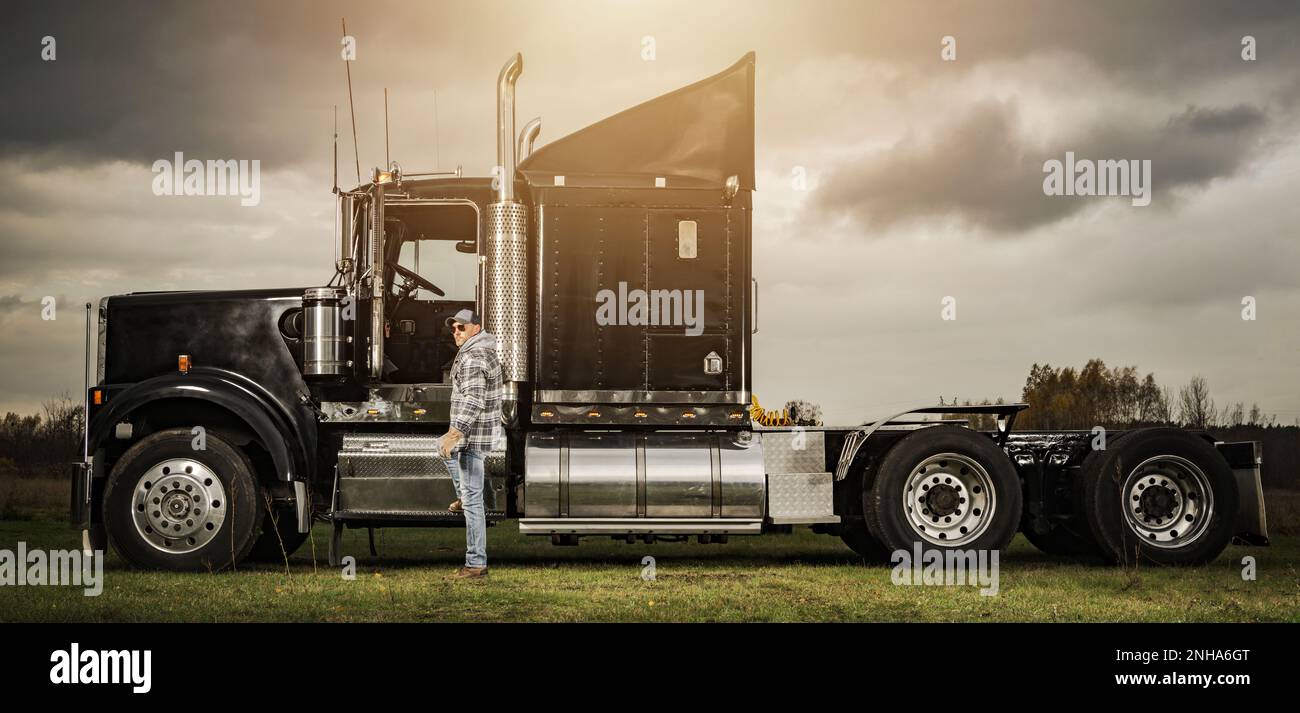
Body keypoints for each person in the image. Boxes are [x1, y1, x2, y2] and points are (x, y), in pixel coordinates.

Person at [439, 308, 502, 579]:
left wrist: (455, 434)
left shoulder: (474, 357)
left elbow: (473, 401)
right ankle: (463, 498)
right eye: (453, 327)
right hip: (475, 434)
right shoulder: (478, 351)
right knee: (439, 448)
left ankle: (476, 564)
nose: (456, 331)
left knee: (475, 501)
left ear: (476, 328)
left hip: (472, 437)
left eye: (461, 327)